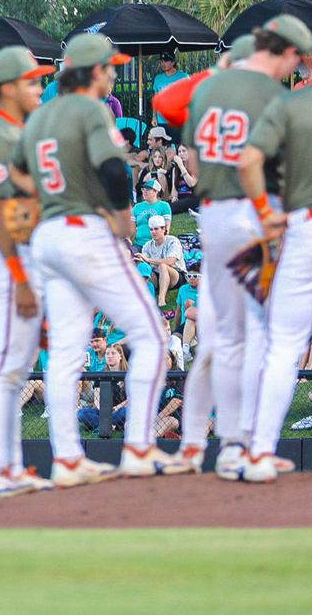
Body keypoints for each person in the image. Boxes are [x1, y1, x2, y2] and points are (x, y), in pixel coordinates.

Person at [14, 32, 192, 482]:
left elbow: (21, 179)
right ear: (92, 70)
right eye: (108, 66)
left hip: (48, 234)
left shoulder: (39, 117)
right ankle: (139, 447)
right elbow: (114, 169)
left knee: (66, 354)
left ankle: (67, 458)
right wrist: (122, 217)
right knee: (151, 338)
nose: (113, 73)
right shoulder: (90, 109)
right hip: (84, 230)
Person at [168, 15, 308, 477]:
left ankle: (229, 446)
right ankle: (249, 445)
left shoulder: (209, 88)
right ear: (286, 52)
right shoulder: (272, 95)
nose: (294, 68)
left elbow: (191, 158)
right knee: (261, 333)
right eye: (295, 59)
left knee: (228, 335)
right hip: (255, 215)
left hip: (214, 216)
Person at [236, 20, 312, 483]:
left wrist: (266, 212)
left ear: (311, 59)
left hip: (308, 226)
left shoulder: (291, 103)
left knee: (284, 344)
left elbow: (248, 160)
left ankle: (261, 452)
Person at [151, 53, 189, 124]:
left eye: (166, 61)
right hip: (161, 119)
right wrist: (154, 116)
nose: (163, 64)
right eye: (161, 61)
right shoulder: (158, 78)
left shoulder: (183, 77)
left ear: (173, 62)